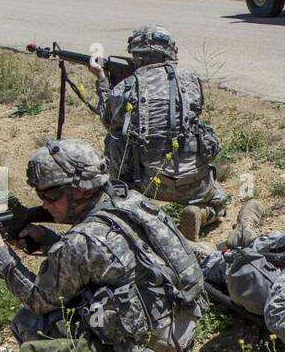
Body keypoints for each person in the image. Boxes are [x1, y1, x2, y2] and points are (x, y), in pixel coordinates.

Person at [0, 138, 207, 352]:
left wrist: (0, 256)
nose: (44, 204)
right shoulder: (129, 200)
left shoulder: (81, 242)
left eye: (51, 195)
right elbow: (112, 259)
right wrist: (49, 240)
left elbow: (38, 299)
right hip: (185, 328)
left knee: (27, 323)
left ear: (79, 189)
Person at [89, 25, 230, 239]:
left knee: (116, 138)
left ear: (136, 54)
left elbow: (108, 120)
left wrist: (101, 78)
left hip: (148, 185)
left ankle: (127, 202)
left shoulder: (125, 88)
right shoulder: (191, 80)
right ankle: (201, 214)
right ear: (171, 51)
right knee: (219, 200)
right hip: (196, 184)